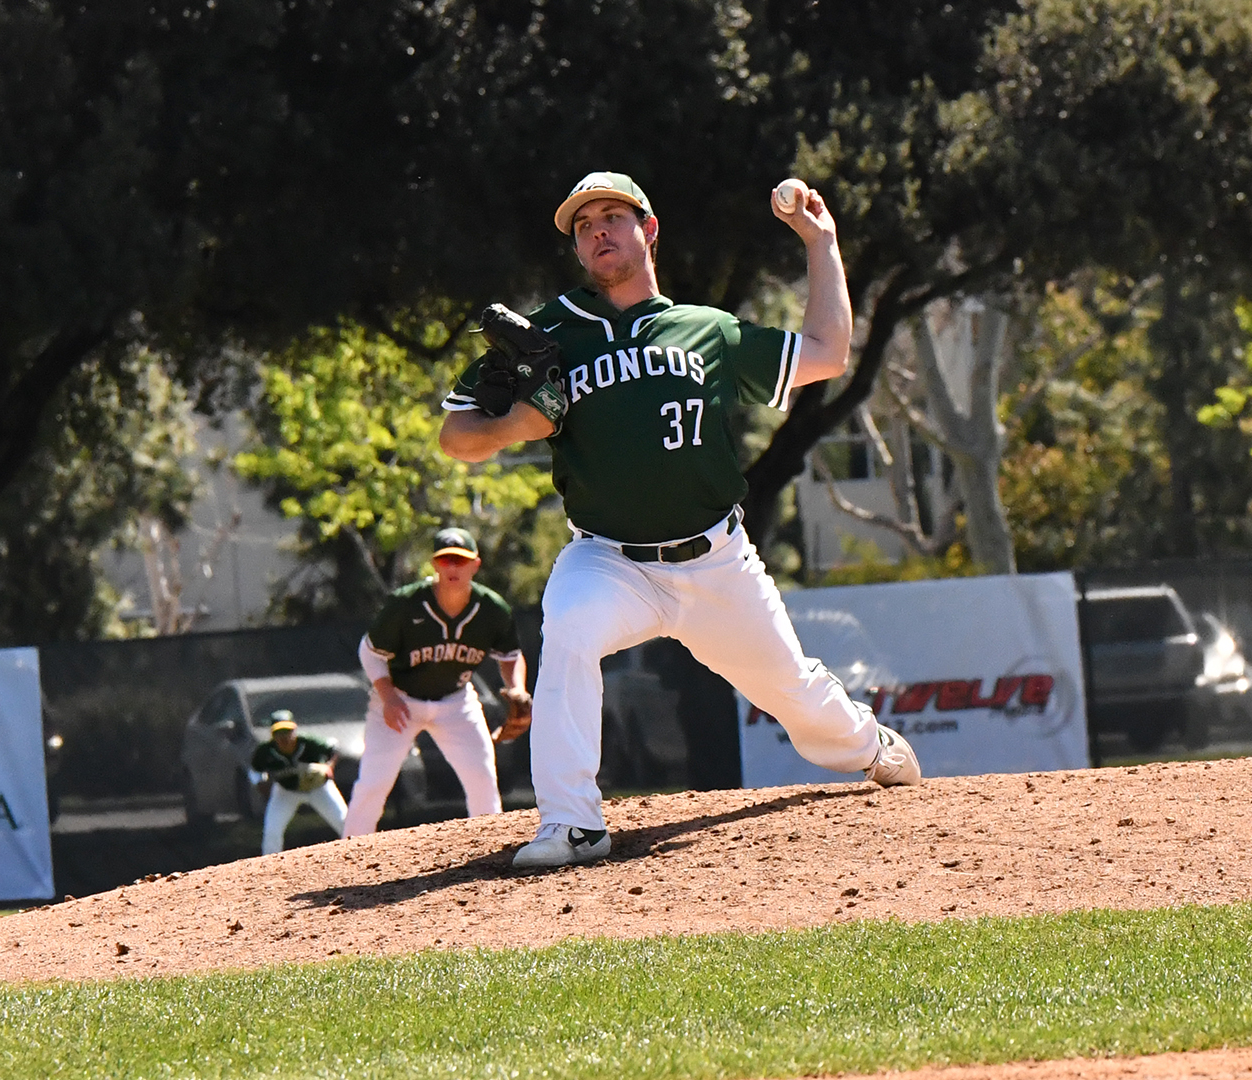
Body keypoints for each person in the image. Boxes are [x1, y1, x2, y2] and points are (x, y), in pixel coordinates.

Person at [439, 171, 921, 869]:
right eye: (584, 226)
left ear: (649, 229)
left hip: (717, 561)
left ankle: (868, 744)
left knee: (792, 690)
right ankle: (573, 825)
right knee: (568, 627)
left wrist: (821, 244)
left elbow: (827, 353)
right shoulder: (548, 333)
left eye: (612, 216)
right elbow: (456, 437)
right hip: (609, 559)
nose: (598, 232)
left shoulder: (707, 330)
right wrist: (517, 424)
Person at [343, 527, 531, 837]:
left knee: (482, 777)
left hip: (456, 702)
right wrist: (388, 697)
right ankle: (350, 852)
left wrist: (517, 688)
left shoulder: (491, 609)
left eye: (461, 560)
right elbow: (369, 651)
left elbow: (511, 656)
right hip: (400, 700)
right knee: (374, 784)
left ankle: (492, 846)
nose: (453, 567)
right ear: (434, 564)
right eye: (446, 560)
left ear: (476, 564)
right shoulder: (406, 604)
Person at [251, 712, 347, 855]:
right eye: (279, 733)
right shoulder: (266, 750)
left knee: (344, 821)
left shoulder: (308, 742)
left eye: (287, 731)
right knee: (272, 831)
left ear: (294, 730)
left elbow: (334, 748)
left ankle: (360, 854)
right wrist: (259, 781)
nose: (284, 737)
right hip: (286, 792)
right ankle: (268, 864)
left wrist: (329, 766)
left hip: (319, 788)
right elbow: (255, 768)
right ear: (272, 734)